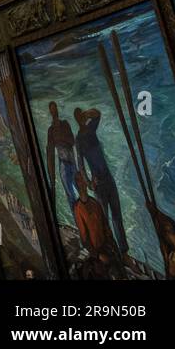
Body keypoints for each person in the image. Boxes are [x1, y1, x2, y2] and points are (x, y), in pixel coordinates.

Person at [73, 107, 128, 255]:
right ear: (77, 120)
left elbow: (97, 114)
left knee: (117, 216)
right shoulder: (78, 140)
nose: (82, 119)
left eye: (82, 116)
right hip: (98, 183)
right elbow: (80, 165)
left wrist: (87, 113)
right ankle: (110, 250)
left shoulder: (91, 129)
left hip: (108, 178)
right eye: (79, 117)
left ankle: (123, 251)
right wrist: (89, 183)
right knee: (104, 221)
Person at [72, 171, 122, 278]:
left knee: (118, 268)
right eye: (80, 180)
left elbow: (106, 227)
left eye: (83, 179)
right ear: (78, 184)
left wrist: (113, 245)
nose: (83, 182)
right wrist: (98, 255)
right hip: (96, 253)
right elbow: (85, 239)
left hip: (106, 246)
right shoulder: (78, 209)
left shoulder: (95, 203)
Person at [45, 102, 78, 216]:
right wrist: (52, 179)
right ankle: (77, 219)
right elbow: (49, 152)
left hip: (72, 162)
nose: (54, 111)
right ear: (50, 112)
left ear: (57, 110)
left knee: (79, 189)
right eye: (52, 110)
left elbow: (72, 141)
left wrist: (61, 139)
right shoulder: (51, 130)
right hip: (63, 163)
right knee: (70, 195)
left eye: (55, 109)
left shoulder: (65, 124)